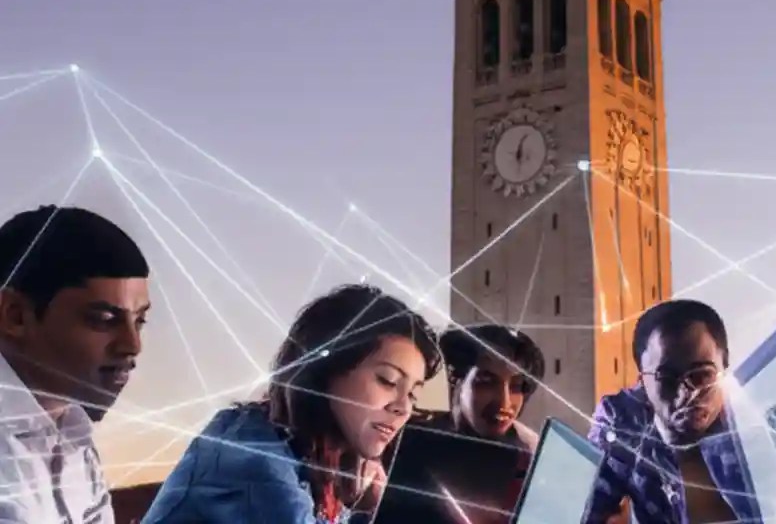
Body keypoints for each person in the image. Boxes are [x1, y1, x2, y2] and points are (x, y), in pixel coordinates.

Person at [143, 284, 440, 523]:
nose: (403, 407)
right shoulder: (253, 456)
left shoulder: (320, 456)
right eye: (388, 381)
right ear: (328, 369)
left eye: (413, 393)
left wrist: (368, 509)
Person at [0, 205, 151, 524]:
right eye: (104, 319)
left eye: (140, 321)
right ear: (15, 316)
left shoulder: (71, 431)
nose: (132, 345)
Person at [586, 299, 762, 524]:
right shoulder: (622, 423)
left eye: (702, 375)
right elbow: (581, 510)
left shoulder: (756, 416)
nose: (685, 395)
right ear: (642, 381)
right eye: (667, 379)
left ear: (724, 364)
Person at [376, 323, 544, 524]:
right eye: (486, 381)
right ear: (455, 376)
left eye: (517, 386)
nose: (505, 402)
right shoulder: (401, 440)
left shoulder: (529, 461)